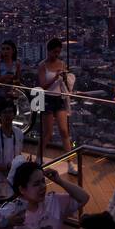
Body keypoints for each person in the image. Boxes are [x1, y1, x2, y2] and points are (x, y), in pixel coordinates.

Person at [37, 37, 77, 173]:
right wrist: (55, 77)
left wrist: (65, 77)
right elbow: (42, 85)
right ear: (48, 51)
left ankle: (70, 163)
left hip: (59, 99)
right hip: (47, 99)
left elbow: (65, 84)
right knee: (47, 132)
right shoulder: (42, 65)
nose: (56, 54)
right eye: (54, 52)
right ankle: (38, 158)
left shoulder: (62, 64)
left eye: (58, 52)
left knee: (64, 131)